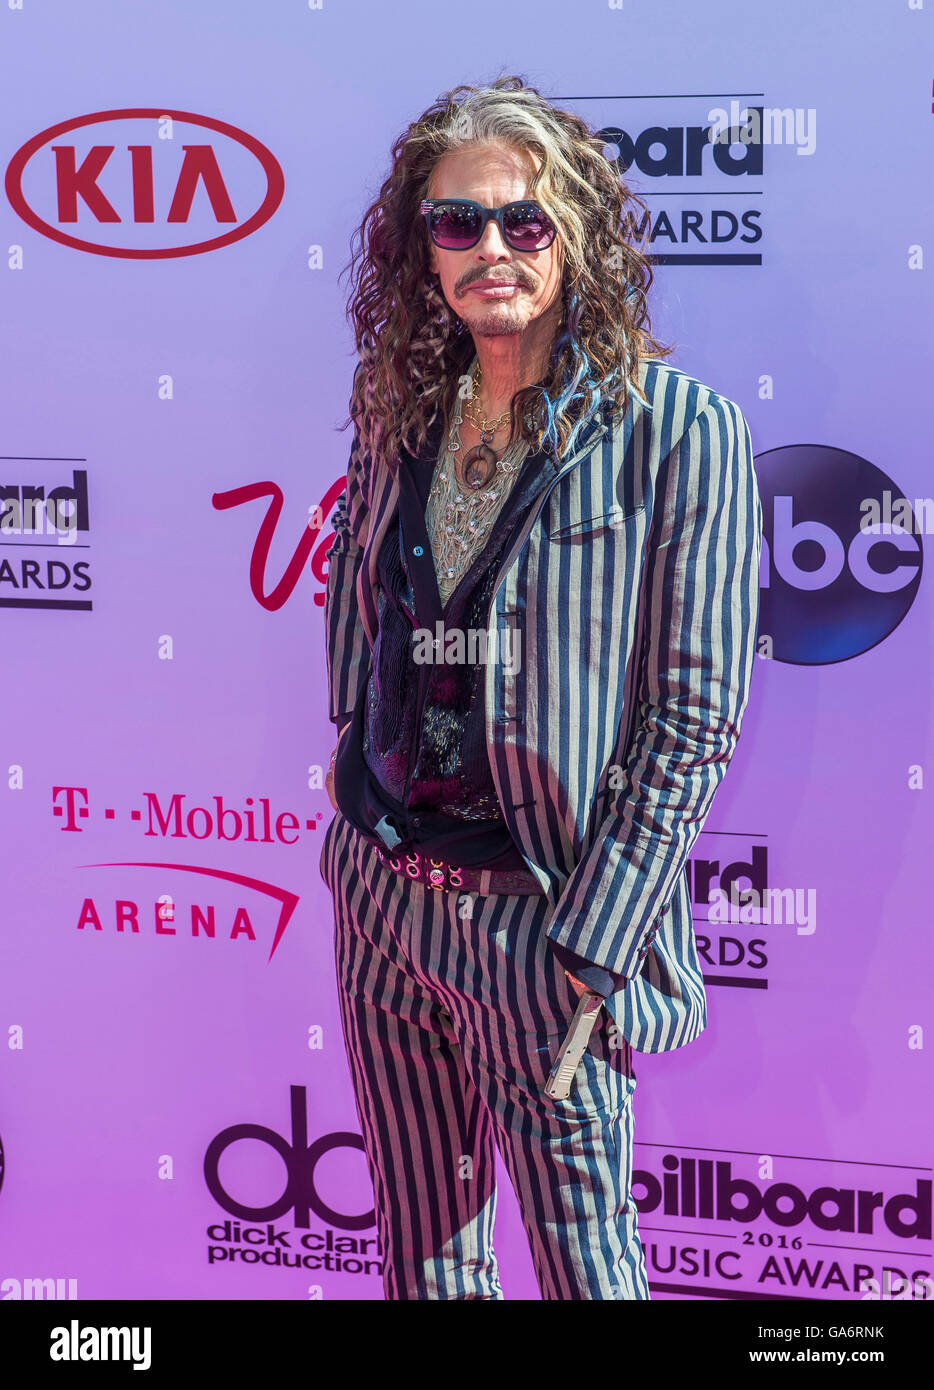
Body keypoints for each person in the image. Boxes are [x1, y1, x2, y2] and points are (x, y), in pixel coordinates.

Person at [318, 75, 762, 1300]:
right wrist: (355, 761)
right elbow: (364, 599)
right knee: (424, 1255)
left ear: (576, 237)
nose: (491, 250)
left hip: (542, 926)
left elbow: (690, 716)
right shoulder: (400, 403)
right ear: (422, 245)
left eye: (525, 222)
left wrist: (596, 941)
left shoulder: (678, 431)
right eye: (457, 223)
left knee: (582, 1269)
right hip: (381, 895)